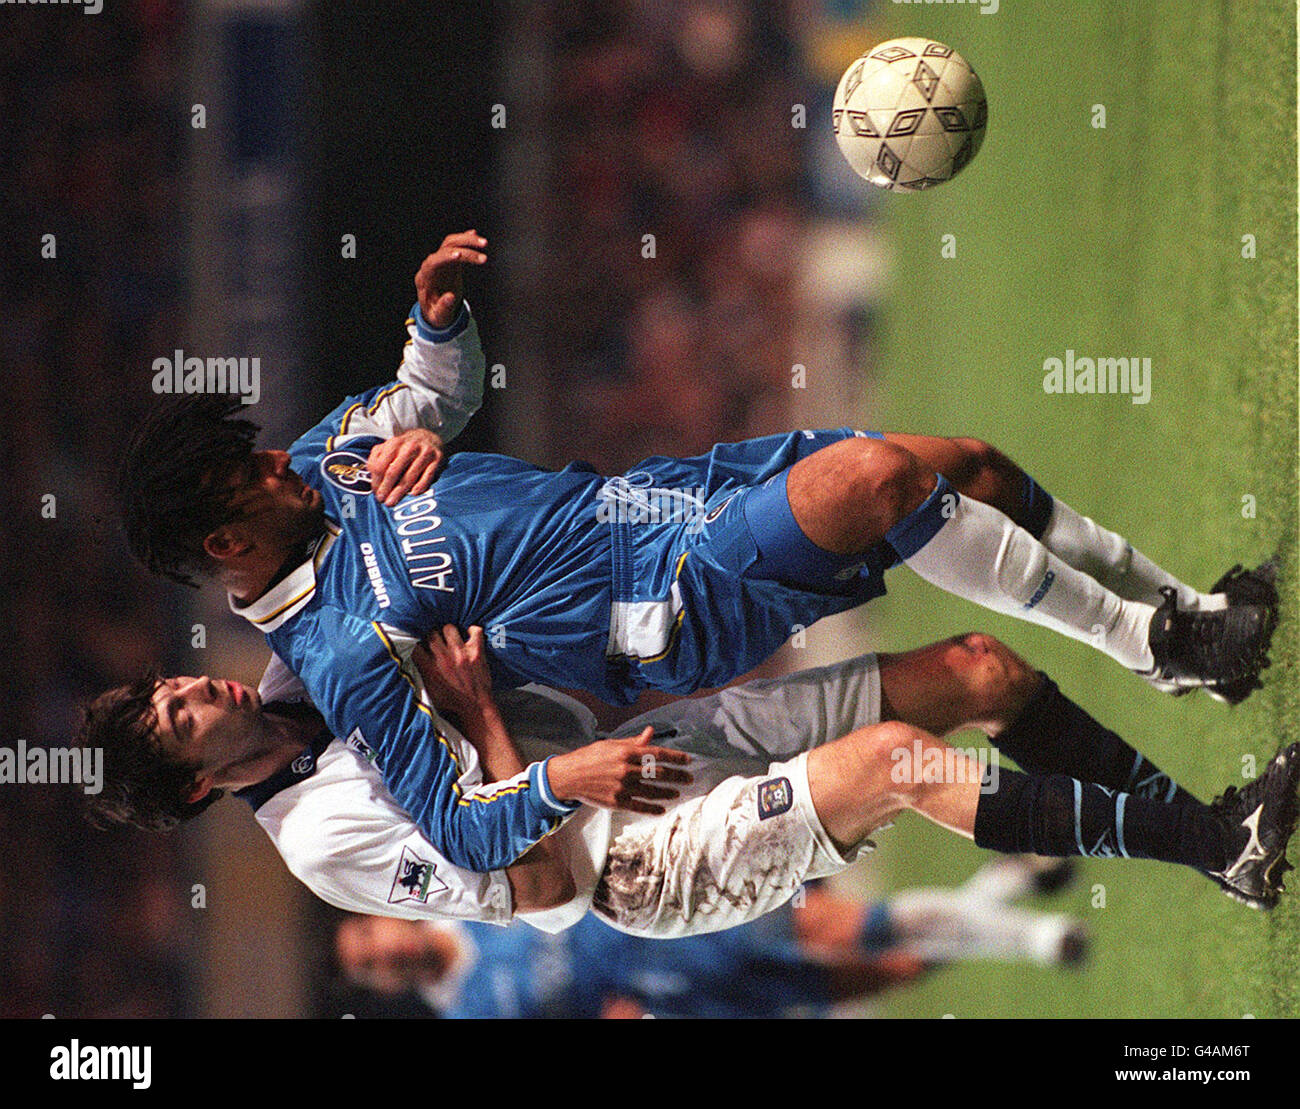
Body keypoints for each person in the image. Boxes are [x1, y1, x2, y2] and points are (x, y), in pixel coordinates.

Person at [115, 232, 1278, 873]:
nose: (281, 462)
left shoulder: (328, 462)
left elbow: (434, 396)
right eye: (252, 476)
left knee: (958, 461)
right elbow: (461, 825)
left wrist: (436, 323)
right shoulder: (338, 649)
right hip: (659, 604)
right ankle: (1151, 644)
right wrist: (555, 770)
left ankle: (1189, 639)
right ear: (226, 538)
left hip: (665, 495)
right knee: (875, 483)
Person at [77, 626, 1300, 934]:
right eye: (181, 722)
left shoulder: (305, 677)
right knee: (895, 766)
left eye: (176, 682)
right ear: (195, 789)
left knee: (977, 672)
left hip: (658, 752)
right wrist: (492, 721)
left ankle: (1222, 841)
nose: (203, 692)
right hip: (640, 861)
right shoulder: (324, 840)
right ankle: (1221, 843)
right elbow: (544, 884)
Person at [333, 860, 1089, 1019]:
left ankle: (1037, 935)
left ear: (384, 916)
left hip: (675, 908)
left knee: (856, 924)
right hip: (688, 996)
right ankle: (993, 889)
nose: (386, 956)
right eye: (372, 969)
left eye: (372, 938)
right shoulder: (472, 1013)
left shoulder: (466, 893)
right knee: (889, 973)